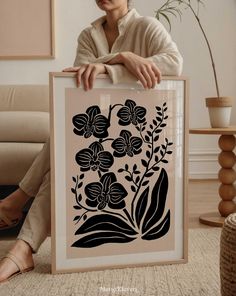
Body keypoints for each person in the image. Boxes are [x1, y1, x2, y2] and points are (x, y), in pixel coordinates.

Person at [0, 0, 183, 282]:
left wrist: (114, 62)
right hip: (96, 127)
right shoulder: (89, 35)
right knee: (65, 149)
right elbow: (77, 77)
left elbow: (173, 63)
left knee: (63, 147)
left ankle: (18, 210)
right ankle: (23, 246)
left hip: (136, 134)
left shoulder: (147, 27)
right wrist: (124, 58)